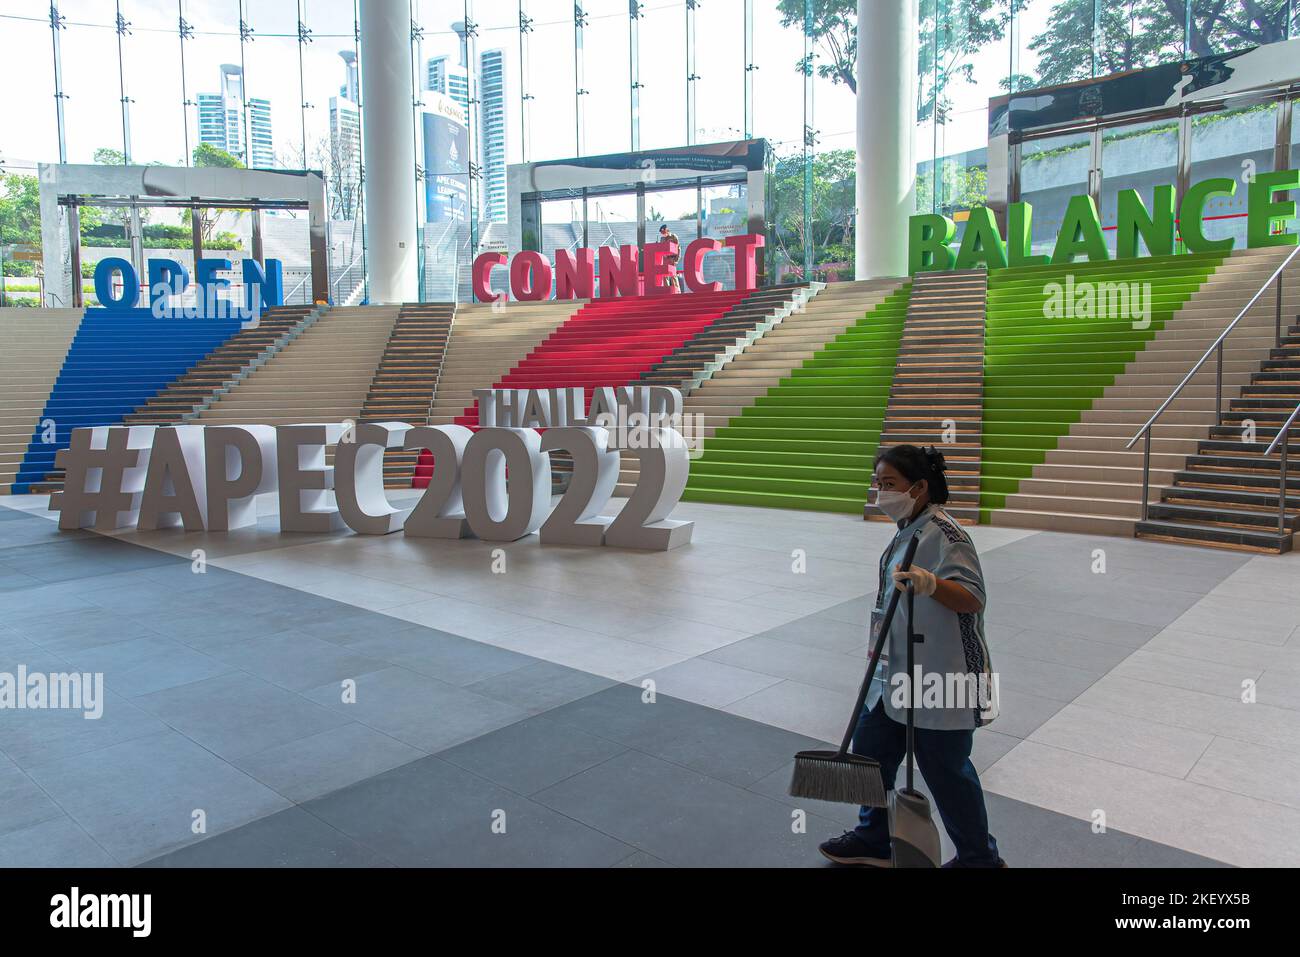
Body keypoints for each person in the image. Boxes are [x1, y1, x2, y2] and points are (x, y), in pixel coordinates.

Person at [819, 444, 1006, 868]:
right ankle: (873, 838)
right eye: (878, 483)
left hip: (944, 675)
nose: (881, 492)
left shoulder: (947, 533)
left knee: (945, 770)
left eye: (890, 484)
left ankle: (980, 859)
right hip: (897, 671)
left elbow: (972, 598)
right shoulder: (908, 527)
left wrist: (931, 583)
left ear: (919, 487)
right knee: (871, 754)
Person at [659, 223, 683, 291]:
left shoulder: (673, 237)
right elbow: (661, 248)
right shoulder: (662, 239)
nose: (663, 234)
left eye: (664, 232)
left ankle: (677, 290)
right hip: (665, 259)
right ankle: (667, 290)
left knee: (673, 275)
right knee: (665, 275)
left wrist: (677, 259)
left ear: (667, 230)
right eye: (662, 233)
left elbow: (678, 248)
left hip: (672, 258)